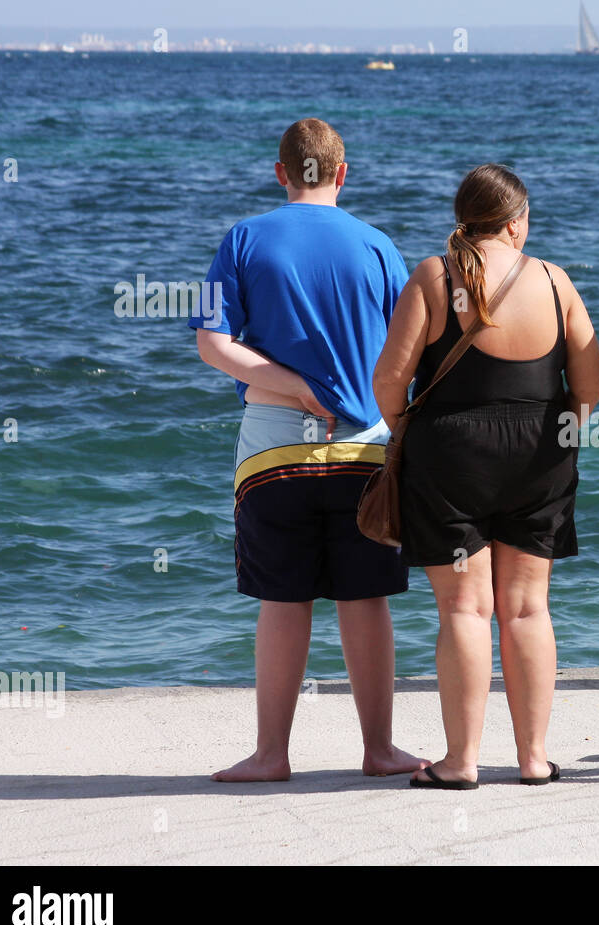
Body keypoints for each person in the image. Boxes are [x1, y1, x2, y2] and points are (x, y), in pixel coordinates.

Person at [193, 118, 427, 782]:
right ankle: (380, 750)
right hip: (364, 452)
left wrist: (290, 383)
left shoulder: (242, 238)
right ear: (344, 173)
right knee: (366, 600)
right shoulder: (379, 247)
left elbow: (212, 343)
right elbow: (407, 357)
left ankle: (271, 755)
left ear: (281, 173)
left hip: (272, 451)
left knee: (283, 601)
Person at [372, 164, 599, 789]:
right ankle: (532, 759)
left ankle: (461, 762)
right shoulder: (555, 281)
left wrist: (411, 433)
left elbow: (389, 384)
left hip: (451, 454)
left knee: (466, 610)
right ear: (514, 220)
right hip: (542, 454)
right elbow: (589, 388)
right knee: (528, 609)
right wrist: (556, 438)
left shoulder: (434, 275)